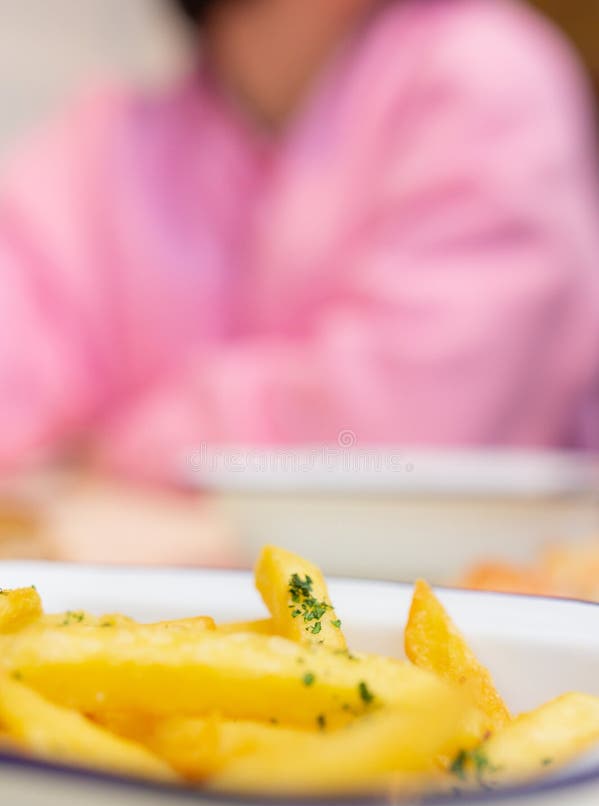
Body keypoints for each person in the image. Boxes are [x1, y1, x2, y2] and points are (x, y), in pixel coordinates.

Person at [2, 0, 599, 482]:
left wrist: (134, 447)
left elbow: (405, 433)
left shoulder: (479, 71)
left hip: (459, 583)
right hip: (197, 584)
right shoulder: (112, 148)